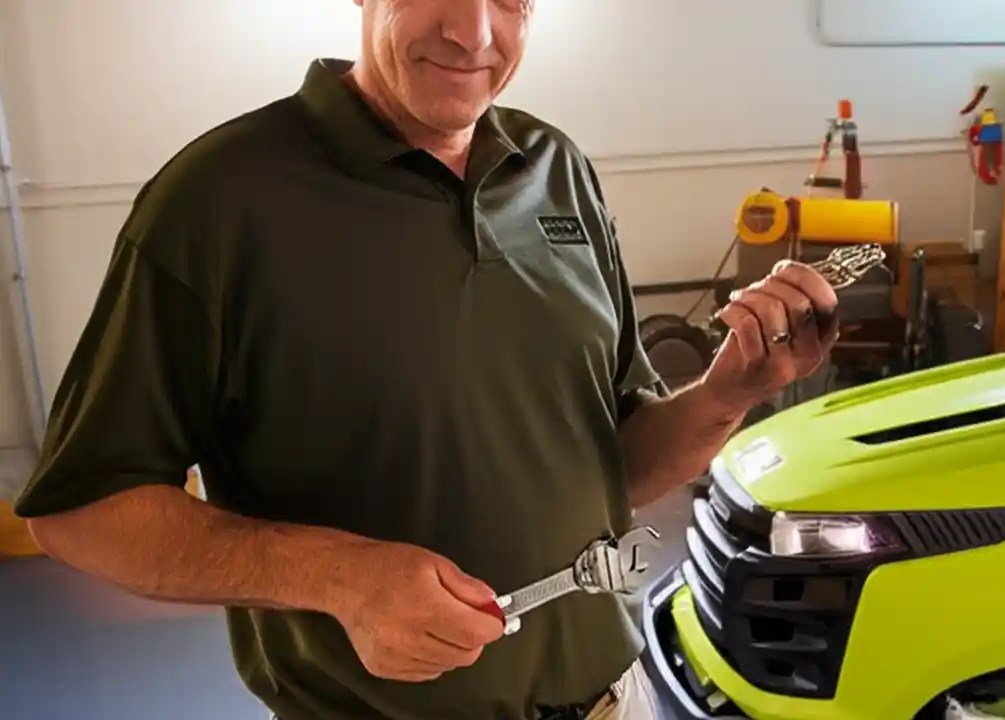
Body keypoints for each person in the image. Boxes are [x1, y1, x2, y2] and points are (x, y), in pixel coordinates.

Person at [11, 1, 840, 718]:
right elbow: (83, 512)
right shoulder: (221, 201)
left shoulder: (555, 172)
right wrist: (338, 577)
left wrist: (726, 393)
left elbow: (613, 468)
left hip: (615, 699)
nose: (473, 33)